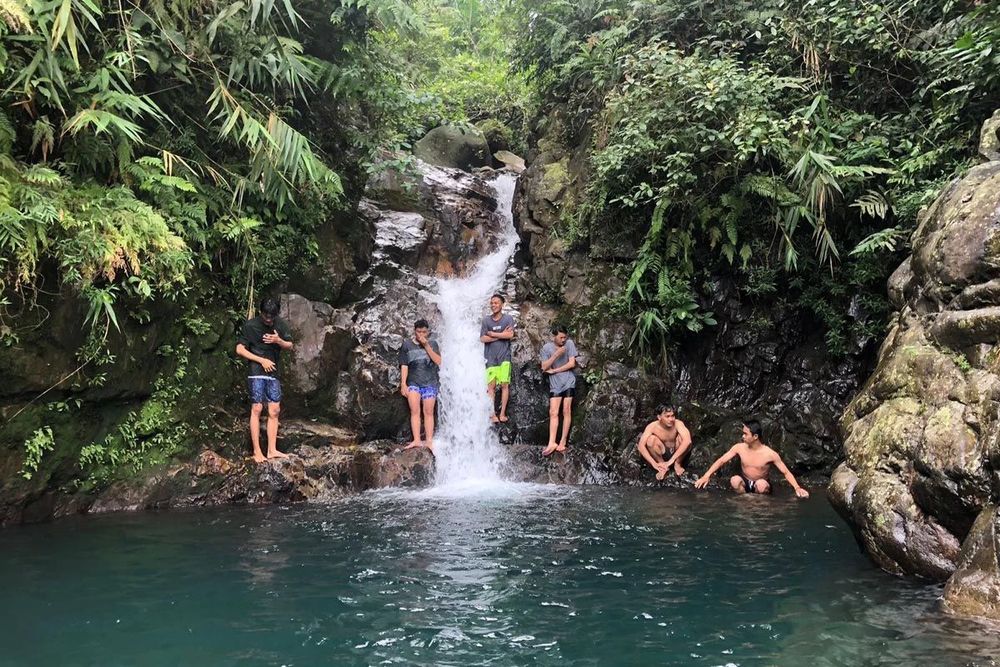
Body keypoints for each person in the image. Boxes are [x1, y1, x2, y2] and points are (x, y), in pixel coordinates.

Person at [236, 297, 294, 463]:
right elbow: (239, 349)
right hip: (256, 371)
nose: (268, 319)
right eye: (266, 316)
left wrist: (279, 341)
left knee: (274, 410)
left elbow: (290, 345)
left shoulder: (280, 325)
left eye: (271, 317)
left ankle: (272, 449)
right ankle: (257, 452)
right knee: (257, 407)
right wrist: (261, 360)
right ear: (261, 312)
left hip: (273, 372)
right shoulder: (251, 326)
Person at [694, 420, 810, 497]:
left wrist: (797, 488)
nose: (742, 436)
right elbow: (722, 460)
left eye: (745, 434)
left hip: (761, 484)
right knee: (734, 480)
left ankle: (758, 506)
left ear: (755, 436)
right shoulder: (739, 447)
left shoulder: (769, 454)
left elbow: (785, 472)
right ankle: (744, 500)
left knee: (761, 485)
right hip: (745, 482)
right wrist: (706, 475)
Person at [399, 318, 442, 451]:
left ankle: (429, 441)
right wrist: (403, 384)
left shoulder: (433, 344)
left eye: (424, 332)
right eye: (419, 332)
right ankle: (417, 439)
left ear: (428, 332)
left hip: (430, 382)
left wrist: (426, 345)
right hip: (413, 382)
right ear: (415, 331)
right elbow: (404, 365)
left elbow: (438, 361)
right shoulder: (406, 345)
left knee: (428, 412)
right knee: (415, 411)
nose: (421, 334)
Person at [539, 324, 577, 456]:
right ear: (554, 336)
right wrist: (556, 355)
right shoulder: (546, 348)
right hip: (555, 383)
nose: (563, 340)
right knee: (553, 412)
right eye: (561, 337)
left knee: (566, 410)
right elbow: (543, 367)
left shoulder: (569, 344)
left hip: (568, 381)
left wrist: (555, 370)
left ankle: (563, 441)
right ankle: (551, 442)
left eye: (565, 337)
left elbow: (572, 363)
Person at [480, 293, 515, 423]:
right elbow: (482, 338)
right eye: (492, 303)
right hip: (490, 358)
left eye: (496, 303)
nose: (493, 305)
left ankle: (502, 413)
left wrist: (493, 334)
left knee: (505, 384)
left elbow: (510, 334)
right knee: (491, 386)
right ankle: (492, 414)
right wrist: (501, 335)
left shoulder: (508, 319)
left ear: (502, 304)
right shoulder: (486, 321)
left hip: (504, 357)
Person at [636, 405, 693, 479]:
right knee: (651, 440)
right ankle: (662, 466)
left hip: (677, 453)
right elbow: (641, 446)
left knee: (683, 439)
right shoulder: (652, 426)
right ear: (659, 417)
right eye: (667, 416)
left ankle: (678, 463)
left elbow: (688, 441)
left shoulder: (678, 423)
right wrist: (654, 463)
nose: (671, 419)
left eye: (673, 416)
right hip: (662, 452)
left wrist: (672, 461)